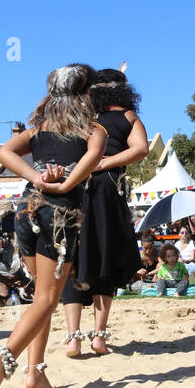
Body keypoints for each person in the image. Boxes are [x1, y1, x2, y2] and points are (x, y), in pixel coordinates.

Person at [0, 65, 106, 388]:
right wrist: (64, 183)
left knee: (40, 299)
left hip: (26, 210)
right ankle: (1, 361)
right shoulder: (93, 131)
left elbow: (5, 153)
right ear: (85, 95)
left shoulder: (39, 130)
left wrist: (36, 179)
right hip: (59, 217)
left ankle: (36, 373)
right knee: (49, 298)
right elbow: (92, 159)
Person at [62, 67, 147, 359]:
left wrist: (93, 163)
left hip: (75, 186)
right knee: (104, 259)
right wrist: (104, 163)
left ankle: (73, 338)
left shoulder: (82, 117)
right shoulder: (128, 117)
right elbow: (140, 149)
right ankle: (99, 337)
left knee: (73, 257)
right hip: (108, 191)